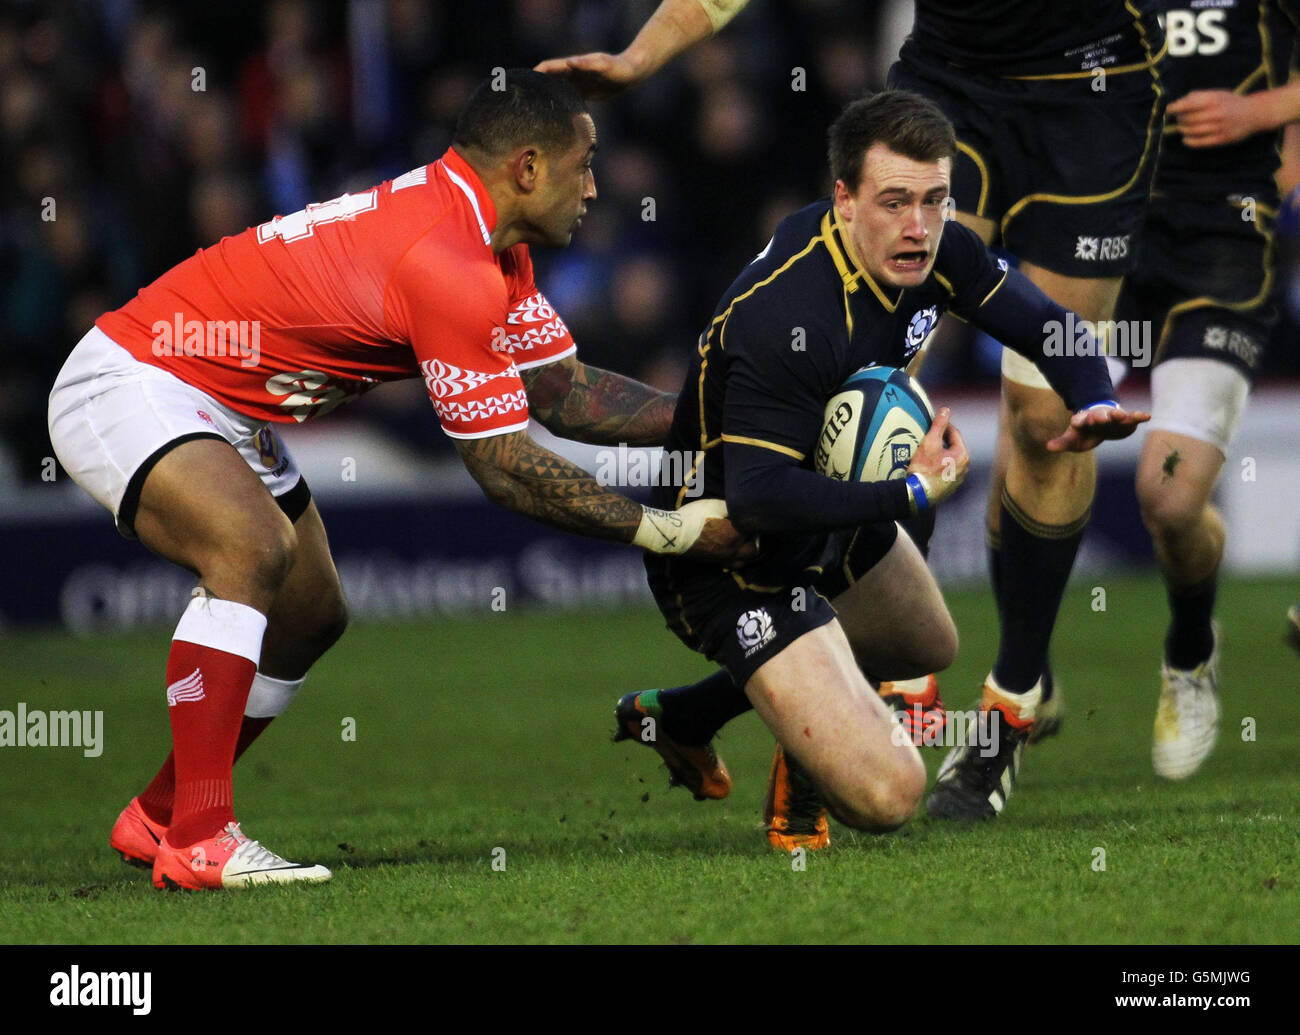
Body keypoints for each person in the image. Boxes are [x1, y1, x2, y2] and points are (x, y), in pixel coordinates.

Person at [47, 70, 749, 891]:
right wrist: (671, 530)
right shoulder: (447, 261)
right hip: (134, 379)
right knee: (251, 548)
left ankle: (162, 812)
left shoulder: (494, 243)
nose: (594, 186)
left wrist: (726, 413)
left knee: (312, 611)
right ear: (527, 167)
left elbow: (563, 394)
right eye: (582, 165)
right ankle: (203, 836)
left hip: (220, 402)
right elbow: (504, 469)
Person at [541, 0, 1165, 826]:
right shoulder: (786, 317)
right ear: (842, 199)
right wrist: (907, 494)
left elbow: (1045, 324)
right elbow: (761, 498)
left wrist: (1092, 398)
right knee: (892, 799)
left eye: (936, 203)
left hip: (1095, 80)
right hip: (724, 548)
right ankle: (806, 746)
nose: (920, 227)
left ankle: (691, 712)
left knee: (927, 643)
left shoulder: (931, 245)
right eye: (897, 203)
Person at [1123, 1, 1300, 778]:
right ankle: (1023, 683)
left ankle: (1189, 652)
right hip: (1092, 227)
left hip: (1223, 238)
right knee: (1032, 426)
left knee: (1167, 494)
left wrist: (1260, 109)